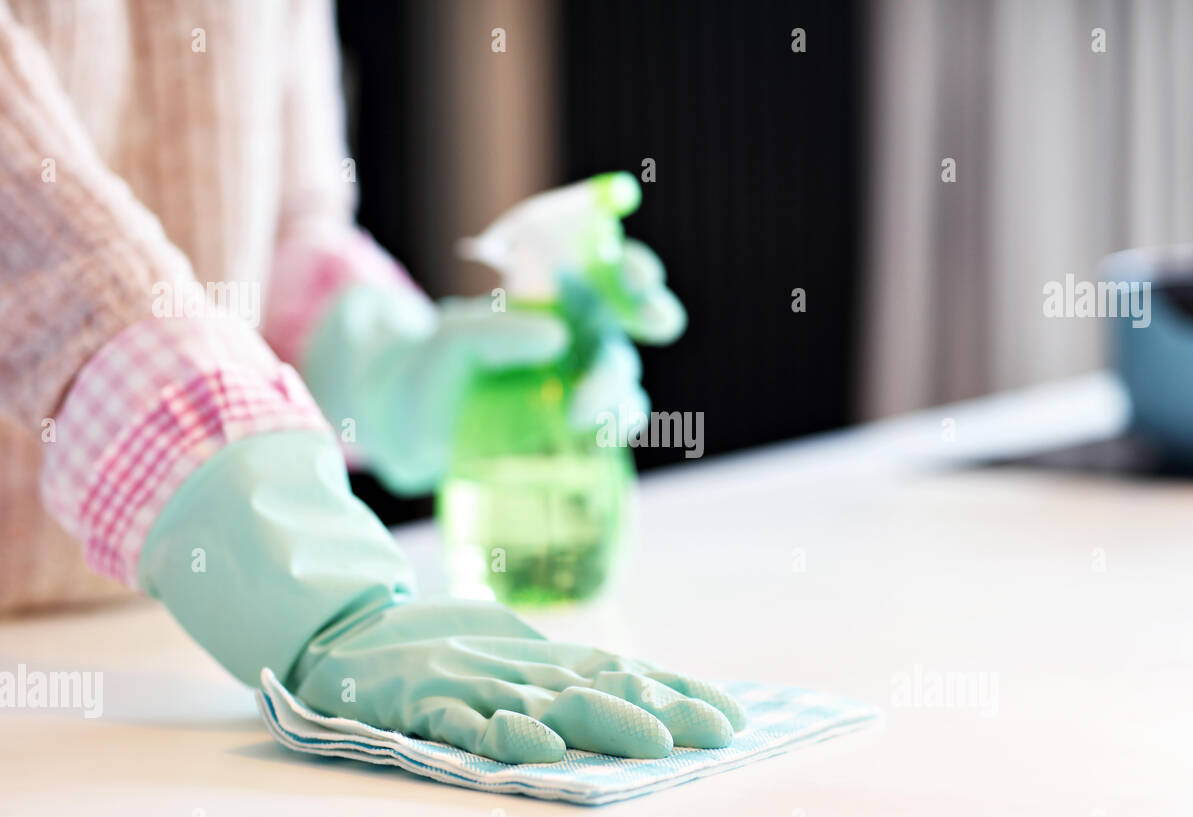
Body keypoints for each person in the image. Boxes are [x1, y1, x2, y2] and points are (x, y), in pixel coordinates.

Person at [0, 0, 744, 763]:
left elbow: (279, 231)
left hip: (154, 644)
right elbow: (36, 251)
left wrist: (395, 371)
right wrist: (300, 582)